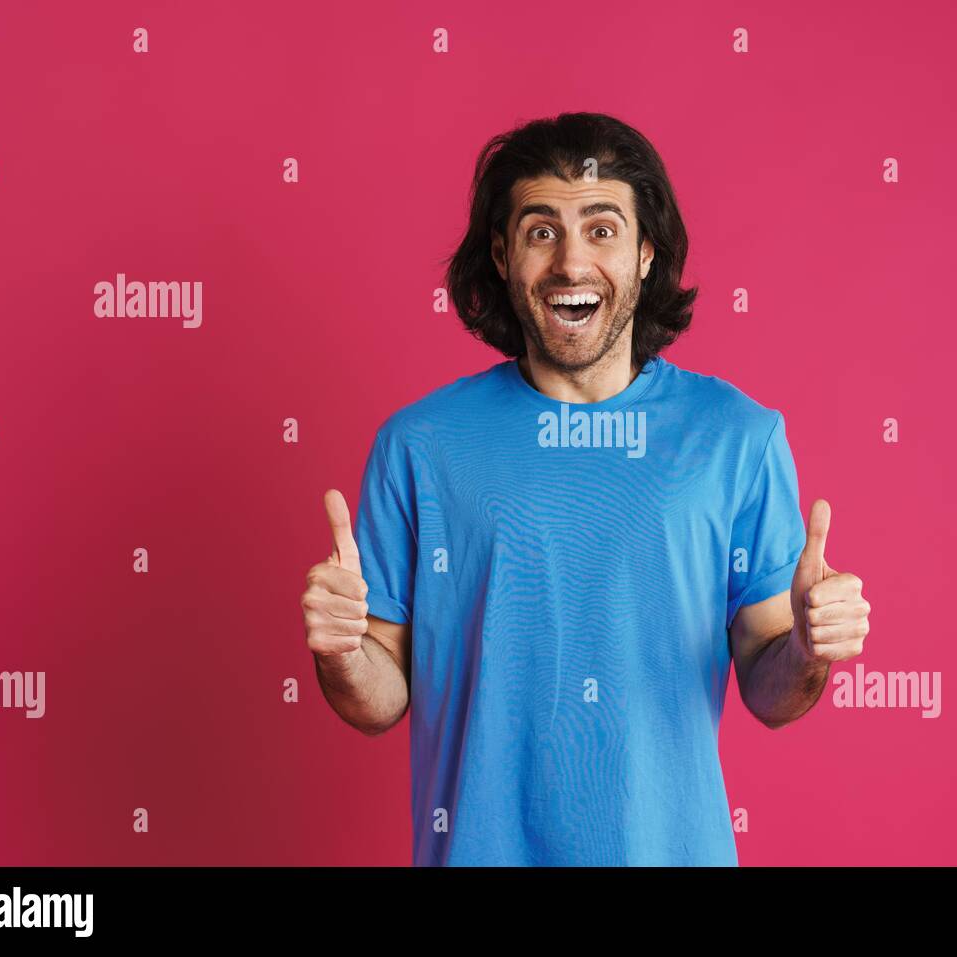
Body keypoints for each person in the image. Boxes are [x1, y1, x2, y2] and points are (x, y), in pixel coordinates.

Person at [300, 112, 870, 865]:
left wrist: (806, 645)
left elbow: (772, 691)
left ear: (644, 254)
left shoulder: (736, 437)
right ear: (503, 256)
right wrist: (341, 652)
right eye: (542, 232)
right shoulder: (419, 445)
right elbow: (379, 700)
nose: (572, 262)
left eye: (602, 230)